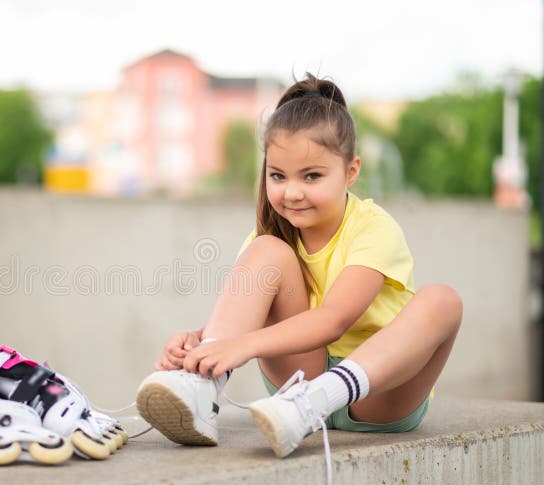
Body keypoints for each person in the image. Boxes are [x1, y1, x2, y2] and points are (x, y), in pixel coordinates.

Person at [135, 74, 463, 459]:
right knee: (266, 250)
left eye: (311, 176)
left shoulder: (373, 228)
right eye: (278, 176)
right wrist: (202, 344)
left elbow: (333, 319)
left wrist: (240, 346)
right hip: (297, 381)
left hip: (379, 392)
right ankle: (201, 391)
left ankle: (319, 399)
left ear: (351, 171)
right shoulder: (273, 237)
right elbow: (244, 320)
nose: (291, 192)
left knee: (444, 300)